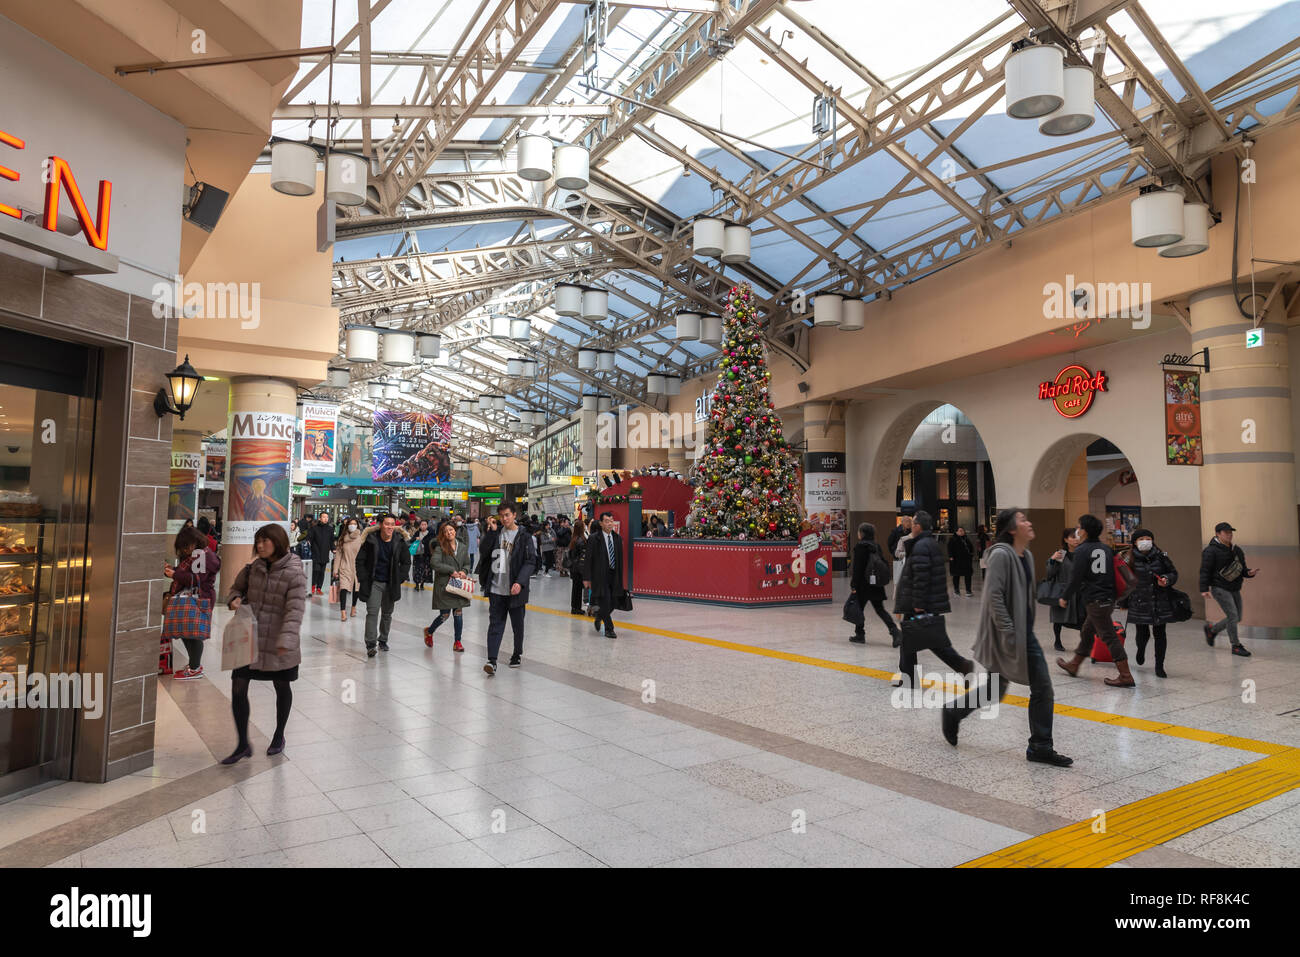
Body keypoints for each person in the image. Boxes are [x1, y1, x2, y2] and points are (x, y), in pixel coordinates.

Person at [942, 508, 1072, 767]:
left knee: (994, 691)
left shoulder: (1026, 555)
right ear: (1012, 529)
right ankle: (1040, 746)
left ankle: (953, 712)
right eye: (1023, 519)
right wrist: (1009, 633)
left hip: (1022, 633)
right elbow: (994, 597)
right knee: (1042, 688)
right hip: (1008, 634)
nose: (1029, 522)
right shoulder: (1001, 555)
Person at [221, 523, 305, 763]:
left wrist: (287, 639)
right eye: (258, 541)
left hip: (279, 641)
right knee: (238, 685)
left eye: (265, 541)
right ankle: (242, 744)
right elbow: (236, 589)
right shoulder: (253, 568)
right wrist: (235, 599)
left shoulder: (294, 572)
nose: (259, 545)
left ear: (278, 542)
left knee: (281, 685)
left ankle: (279, 735)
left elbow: (295, 610)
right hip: (250, 638)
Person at [893, 511, 975, 687]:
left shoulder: (922, 545)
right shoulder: (927, 543)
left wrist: (918, 604)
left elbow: (921, 576)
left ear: (918, 526)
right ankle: (909, 679)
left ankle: (962, 664)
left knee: (933, 642)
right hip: (925, 601)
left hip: (922, 603)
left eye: (913, 523)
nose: (911, 526)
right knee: (909, 641)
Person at [1056, 514, 1132, 687]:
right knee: (1088, 631)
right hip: (1107, 598)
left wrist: (1065, 596)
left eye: (1079, 527)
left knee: (1109, 636)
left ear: (1085, 530)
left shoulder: (1082, 550)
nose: (1077, 530)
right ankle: (1074, 665)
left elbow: (1076, 577)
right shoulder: (1105, 548)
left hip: (1096, 599)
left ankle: (1126, 675)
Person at [477, 502, 536, 675]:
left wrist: (520, 581)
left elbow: (531, 561)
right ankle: (492, 660)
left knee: (518, 625)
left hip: (515, 589)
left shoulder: (524, 536)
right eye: (501, 515)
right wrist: (491, 532)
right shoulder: (496, 533)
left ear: (514, 515)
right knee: (495, 624)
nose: (504, 519)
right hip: (496, 588)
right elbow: (484, 551)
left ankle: (517, 654)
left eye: (507, 515)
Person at [164, 525, 221, 680]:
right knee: (187, 630)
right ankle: (194, 665)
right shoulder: (198, 554)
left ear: (194, 542)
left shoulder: (202, 555)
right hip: (195, 598)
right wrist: (174, 570)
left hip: (199, 599)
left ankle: (195, 668)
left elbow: (195, 580)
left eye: (185, 547)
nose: (183, 551)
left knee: (193, 633)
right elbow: (191, 573)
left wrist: (175, 574)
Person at [356, 512, 411, 657]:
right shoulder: (370, 540)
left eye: (392, 524)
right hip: (374, 582)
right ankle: (370, 644)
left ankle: (383, 640)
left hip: (391, 582)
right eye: (387, 524)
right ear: (380, 525)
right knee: (372, 612)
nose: (390, 527)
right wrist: (362, 577)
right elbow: (360, 560)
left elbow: (406, 562)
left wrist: (400, 577)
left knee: (387, 614)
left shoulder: (399, 541)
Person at [1199, 522, 1257, 657]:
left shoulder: (1236, 550)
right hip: (1219, 587)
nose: (1229, 535)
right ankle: (1236, 646)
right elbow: (1204, 571)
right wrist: (1204, 588)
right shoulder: (1210, 551)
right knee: (1232, 616)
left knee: (1237, 617)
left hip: (1234, 587)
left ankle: (1212, 631)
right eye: (1226, 533)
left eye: (1231, 532)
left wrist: (1249, 573)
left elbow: (1242, 569)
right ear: (1218, 534)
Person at [1127, 528, 1179, 678]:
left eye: (1148, 538)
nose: (1146, 541)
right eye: (1141, 538)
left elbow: (1173, 573)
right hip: (1139, 601)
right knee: (1142, 634)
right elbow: (1123, 580)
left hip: (1159, 600)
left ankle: (1159, 666)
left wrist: (1167, 579)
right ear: (1135, 542)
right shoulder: (1129, 558)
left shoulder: (1161, 556)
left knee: (1160, 634)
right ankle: (1140, 649)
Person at [849, 523, 901, 646]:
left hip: (863, 584)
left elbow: (858, 569)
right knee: (880, 610)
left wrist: (853, 585)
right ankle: (895, 632)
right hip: (876, 584)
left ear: (861, 533)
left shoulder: (860, 547)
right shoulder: (876, 546)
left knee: (859, 609)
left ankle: (860, 634)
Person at [424, 520, 471, 653]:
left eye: (451, 530)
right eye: (445, 531)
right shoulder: (440, 548)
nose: (449, 533)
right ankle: (429, 631)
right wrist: (451, 570)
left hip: (458, 585)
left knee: (458, 613)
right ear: (443, 535)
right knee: (444, 615)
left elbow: (467, 563)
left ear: (455, 531)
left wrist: (464, 571)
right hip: (445, 585)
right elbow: (434, 564)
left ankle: (457, 642)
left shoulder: (462, 547)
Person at [585, 511, 626, 639]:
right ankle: (609, 629)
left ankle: (599, 616)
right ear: (601, 523)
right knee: (605, 601)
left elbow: (620, 560)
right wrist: (587, 578)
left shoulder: (617, 538)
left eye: (611, 521)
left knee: (613, 602)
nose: (610, 524)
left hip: (614, 575)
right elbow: (588, 559)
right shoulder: (594, 538)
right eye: (607, 521)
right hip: (600, 576)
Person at [1045, 529, 1083, 651]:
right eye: (1073, 537)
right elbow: (1050, 574)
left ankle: (1084, 644)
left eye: (1077, 536)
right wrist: (1052, 560)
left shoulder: (1082, 553)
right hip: (1062, 590)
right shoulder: (1061, 554)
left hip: (1079, 591)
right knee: (1059, 618)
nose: (1076, 539)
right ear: (1066, 539)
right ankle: (1057, 641)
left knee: (1082, 617)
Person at [333, 517, 363, 621]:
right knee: (343, 589)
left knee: (356, 589)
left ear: (357, 525)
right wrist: (335, 570)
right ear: (347, 525)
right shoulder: (342, 539)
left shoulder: (361, 538)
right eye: (351, 524)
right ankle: (343, 612)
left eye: (355, 524)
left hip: (357, 568)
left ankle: (353, 607)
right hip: (345, 567)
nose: (352, 525)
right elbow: (338, 556)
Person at [308, 511, 334, 597]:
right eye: (323, 517)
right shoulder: (315, 528)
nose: (325, 519)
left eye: (327, 517)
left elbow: (331, 541)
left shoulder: (330, 529)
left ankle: (319, 588)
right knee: (316, 570)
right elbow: (310, 539)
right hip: (316, 553)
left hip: (325, 553)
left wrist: (333, 549)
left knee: (322, 572)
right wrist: (310, 545)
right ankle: (312, 586)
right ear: (319, 518)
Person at [568, 517, 590, 615]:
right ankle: (577, 608)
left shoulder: (573, 539)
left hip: (573, 567)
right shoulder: (582, 540)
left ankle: (574, 607)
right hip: (579, 568)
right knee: (578, 589)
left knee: (575, 589)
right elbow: (583, 555)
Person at [948, 526, 975, 597]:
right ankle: (956, 590)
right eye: (960, 531)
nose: (961, 532)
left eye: (962, 531)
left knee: (968, 575)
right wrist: (951, 557)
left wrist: (971, 555)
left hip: (966, 561)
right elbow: (950, 549)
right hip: (956, 560)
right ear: (956, 532)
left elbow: (971, 547)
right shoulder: (953, 539)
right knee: (956, 575)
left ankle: (968, 590)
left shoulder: (966, 539)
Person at [411, 519, 432, 591]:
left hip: (426, 555)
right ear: (419, 525)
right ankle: (417, 584)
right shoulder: (417, 533)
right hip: (417, 555)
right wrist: (415, 539)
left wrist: (423, 541)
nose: (423, 526)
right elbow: (411, 540)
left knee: (425, 570)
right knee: (417, 570)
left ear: (427, 525)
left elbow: (432, 543)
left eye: (425, 524)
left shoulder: (430, 533)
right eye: (422, 524)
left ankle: (422, 584)